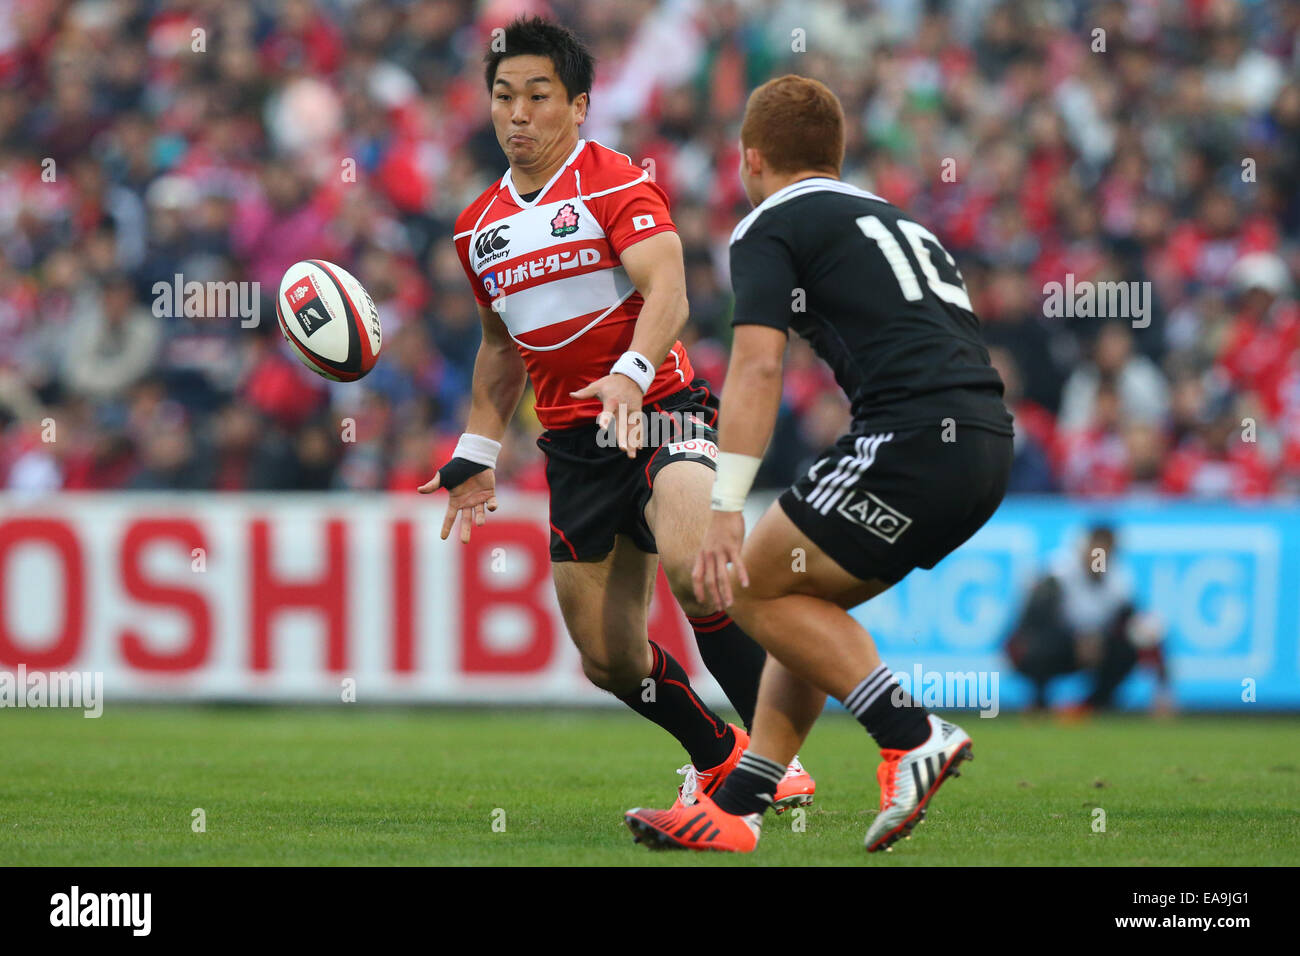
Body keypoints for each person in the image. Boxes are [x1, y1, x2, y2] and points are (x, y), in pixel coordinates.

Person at [420, 17, 813, 810]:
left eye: (538, 96)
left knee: (695, 568)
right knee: (609, 659)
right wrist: (476, 450)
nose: (517, 114)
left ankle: (775, 766)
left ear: (579, 106)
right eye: (503, 97)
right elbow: (501, 351)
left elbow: (668, 292)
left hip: (663, 410)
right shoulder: (477, 228)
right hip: (574, 444)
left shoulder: (617, 182)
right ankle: (715, 753)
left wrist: (632, 376)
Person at [623, 75, 1014, 853]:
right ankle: (740, 802)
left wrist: (726, 504)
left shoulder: (769, 224)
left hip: (908, 434)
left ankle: (908, 734)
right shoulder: (897, 218)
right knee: (796, 596)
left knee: (750, 582)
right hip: (984, 445)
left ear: (752, 158)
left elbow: (759, 367)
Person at [1005, 525, 1169, 713]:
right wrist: (1075, 640)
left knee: (1128, 650)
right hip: (1060, 645)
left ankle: (1095, 705)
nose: (1099, 558)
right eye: (1096, 550)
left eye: (1106, 552)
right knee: (1034, 647)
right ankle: (1039, 702)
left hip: (1098, 647)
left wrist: (1163, 688)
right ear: (1084, 548)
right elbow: (1033, 622)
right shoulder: (1058, 573)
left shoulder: (1120, 581)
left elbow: (1139, 630)